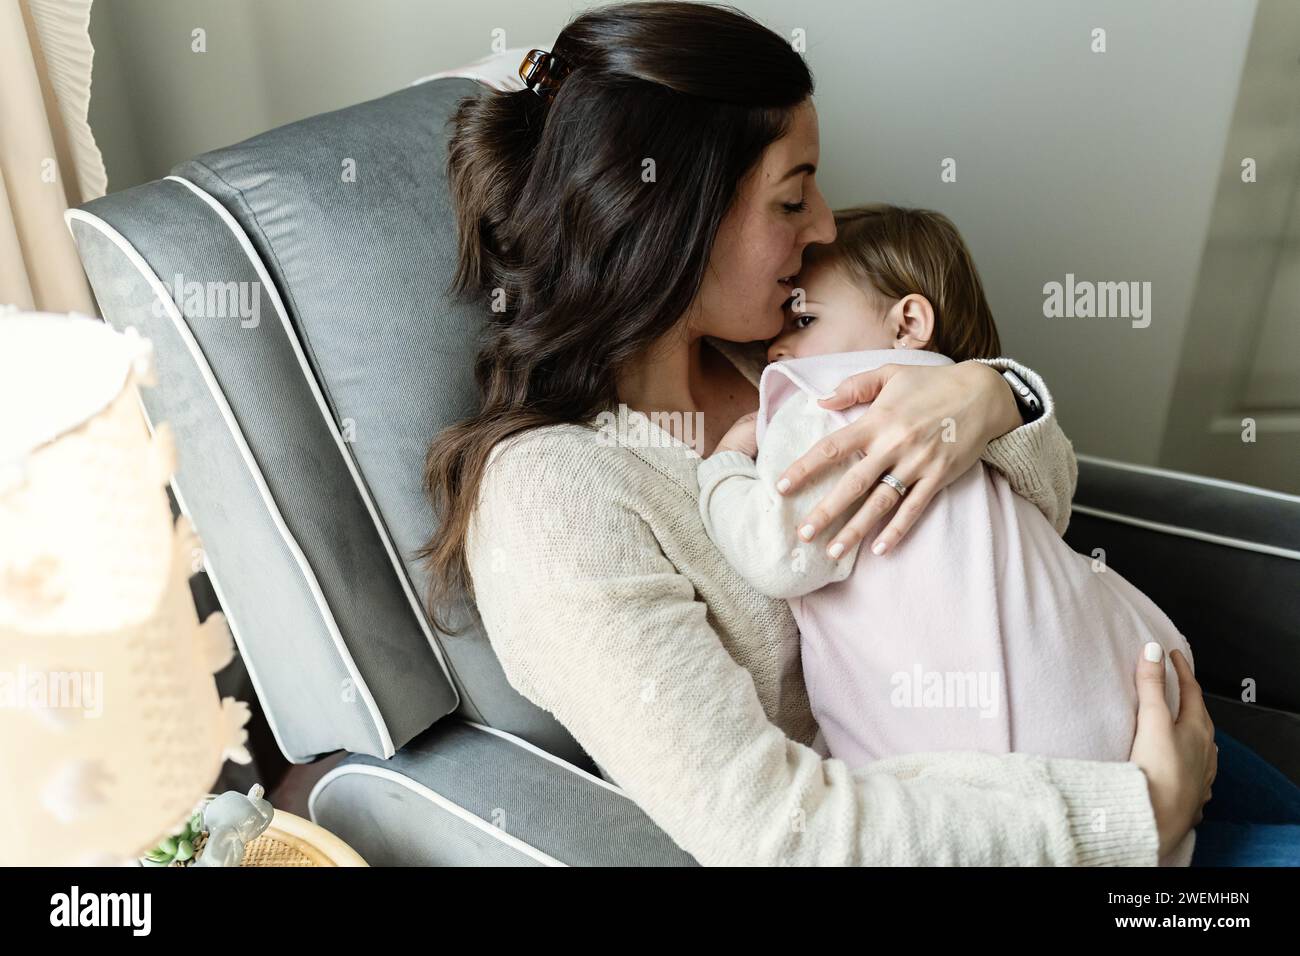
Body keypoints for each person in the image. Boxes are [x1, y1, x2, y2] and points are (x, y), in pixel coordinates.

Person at [420, 2, 1215, 865]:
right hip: (1049, 822)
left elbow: (1035, 521)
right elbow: (777, 832)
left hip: (1121, 721)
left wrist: (993, 396)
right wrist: (1137, 812)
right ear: (676, 217)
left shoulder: (784, 355)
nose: (829, 227)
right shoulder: (555, 503)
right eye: (793, 197)